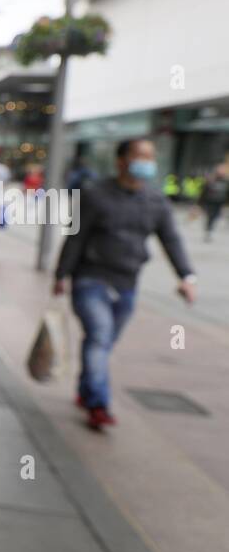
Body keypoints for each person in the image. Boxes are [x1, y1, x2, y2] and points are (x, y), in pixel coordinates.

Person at [53, 139, 197, 431]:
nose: (146, 161)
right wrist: (61, 274)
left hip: (127, 283)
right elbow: (75, 237)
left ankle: (87, 388)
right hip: (90, 279)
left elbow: (171, 240)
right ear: (121, 160)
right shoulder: (93, 195)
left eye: (150, 156)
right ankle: (98, 404)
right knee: (99, 336)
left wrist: (186, 276)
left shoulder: (155, 201)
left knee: (102, 343)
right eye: (140, 155)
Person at [199, 164, 228, 242]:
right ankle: (208, 231)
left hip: (219, 203)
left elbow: (227, 194)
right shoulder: (210, 180)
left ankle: (210, 230)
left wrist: (226, 204)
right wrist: (199, 204)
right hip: (210, 202)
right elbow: (203, 192)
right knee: (210, 217)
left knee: (216, 217)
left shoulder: (226, 182)